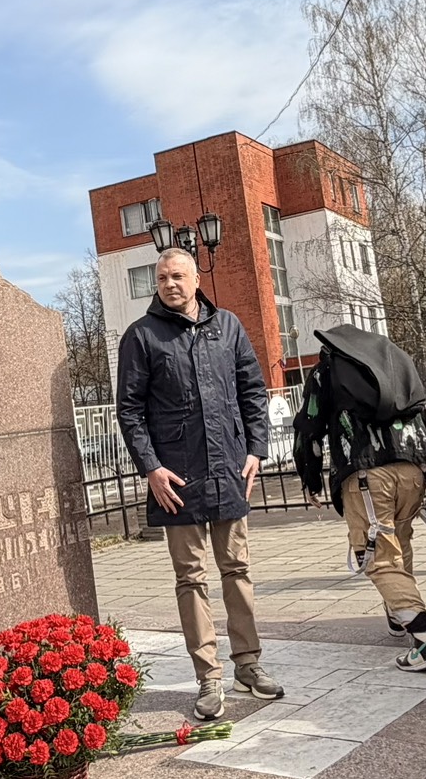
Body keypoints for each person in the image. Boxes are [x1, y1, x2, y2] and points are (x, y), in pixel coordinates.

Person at [116, 247, 282, 720]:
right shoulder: (142, 336)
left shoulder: (227, 326)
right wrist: (150, 467)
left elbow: (252, 391)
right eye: (162, 278)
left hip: (229, 468)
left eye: (178, 276)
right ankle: (208, 676)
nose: (170, 284)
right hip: (176, 478)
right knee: (190, 577)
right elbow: (129, 409)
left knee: (238, 568)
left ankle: (248, 664)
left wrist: (255, 449)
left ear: (195, 279)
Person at [293, 325, 426, 672]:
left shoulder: (328, 370)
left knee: (378, 557)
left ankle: (424, 638)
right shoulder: (396, 359)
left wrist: (310, 478)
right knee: (399, 544)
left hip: (366, 473)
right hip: (414, 469)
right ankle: (399, 614)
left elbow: (309, 426)